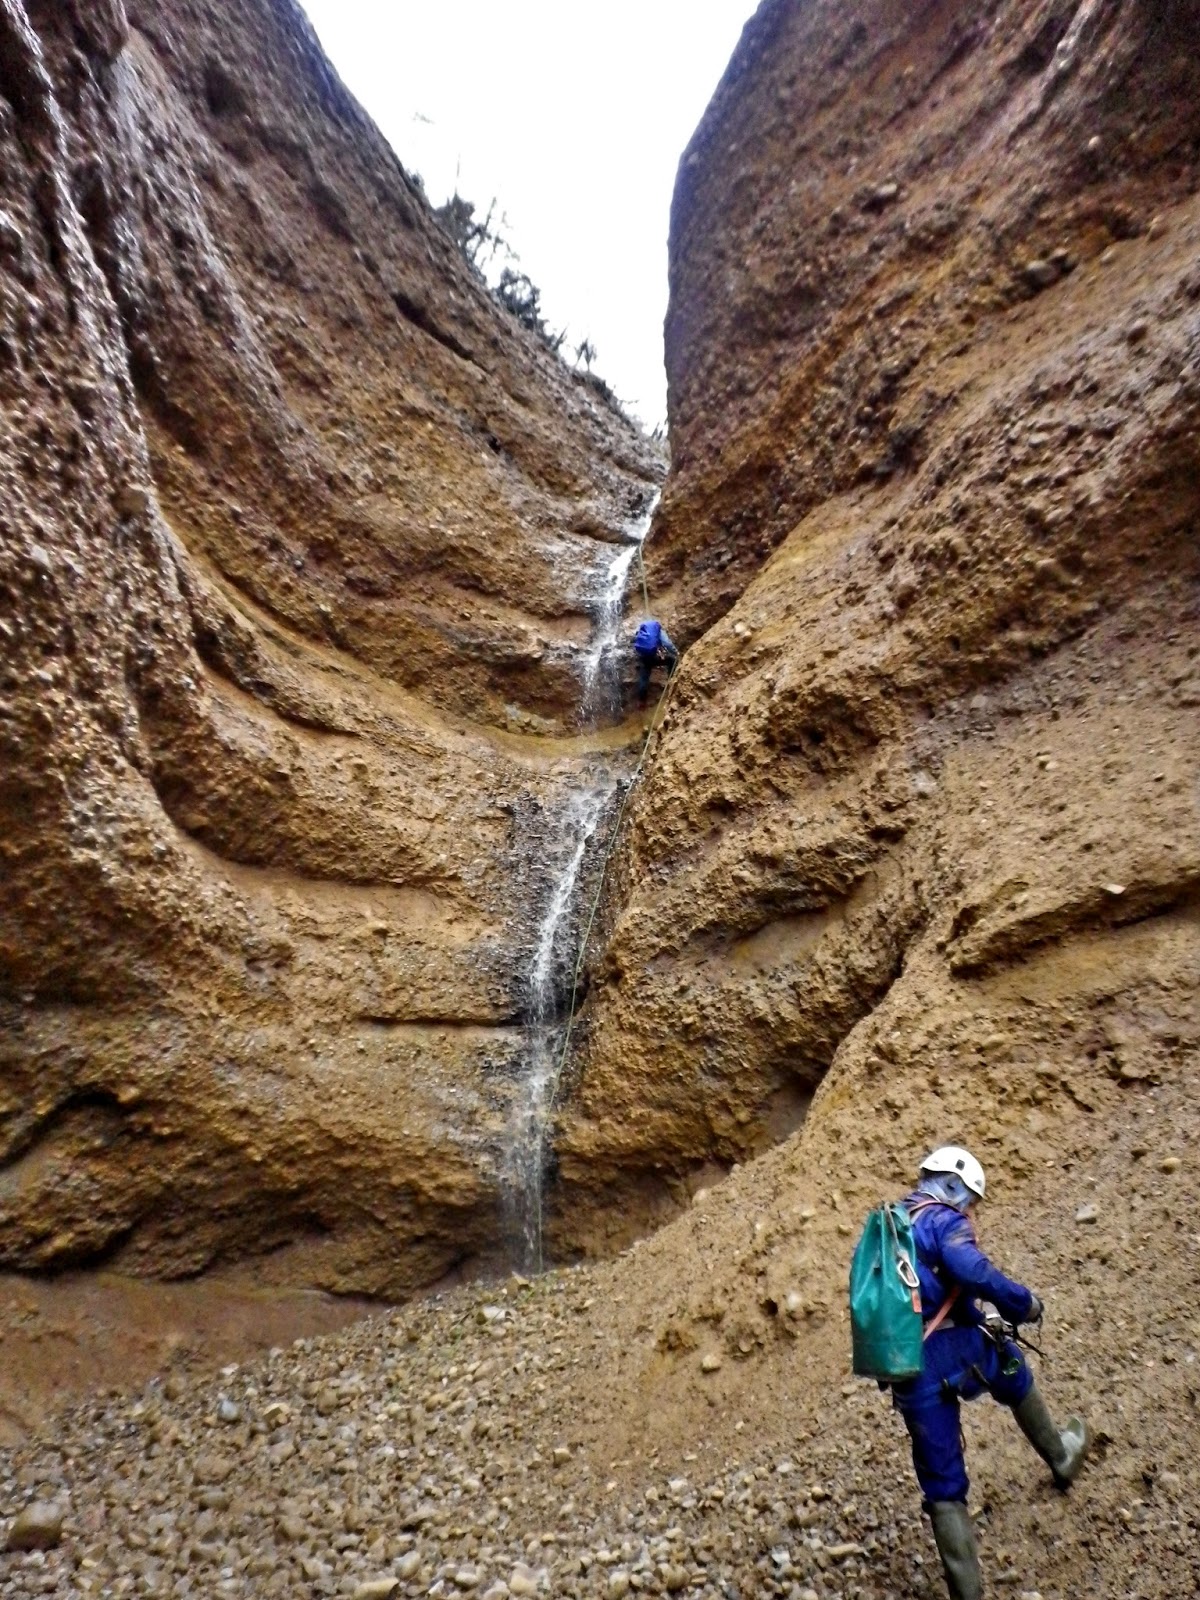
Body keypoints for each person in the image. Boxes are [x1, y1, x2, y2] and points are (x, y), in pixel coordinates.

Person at [890, 1146, 1090, 1600]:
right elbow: (969, 1269)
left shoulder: (893, 1222)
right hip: (949, 1349)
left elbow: (932, 1295)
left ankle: (968, 1594)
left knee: (941, 1481)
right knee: (1010, 1365)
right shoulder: (943, 1218)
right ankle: (1061, 1457)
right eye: (970, 1199)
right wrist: (1022, 1304)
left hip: (906, 1364)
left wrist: (977, 1316)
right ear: (954, 1185)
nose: (970, 1209)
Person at [631, 617, 678, 706]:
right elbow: (667, 643)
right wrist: (676, 652)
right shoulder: (658, 630)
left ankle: (641, 701)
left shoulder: (642, 630)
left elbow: (635, 642)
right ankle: (672, 683)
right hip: (654, 656)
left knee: (644, 678)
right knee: (672, 660)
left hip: (644, 657)